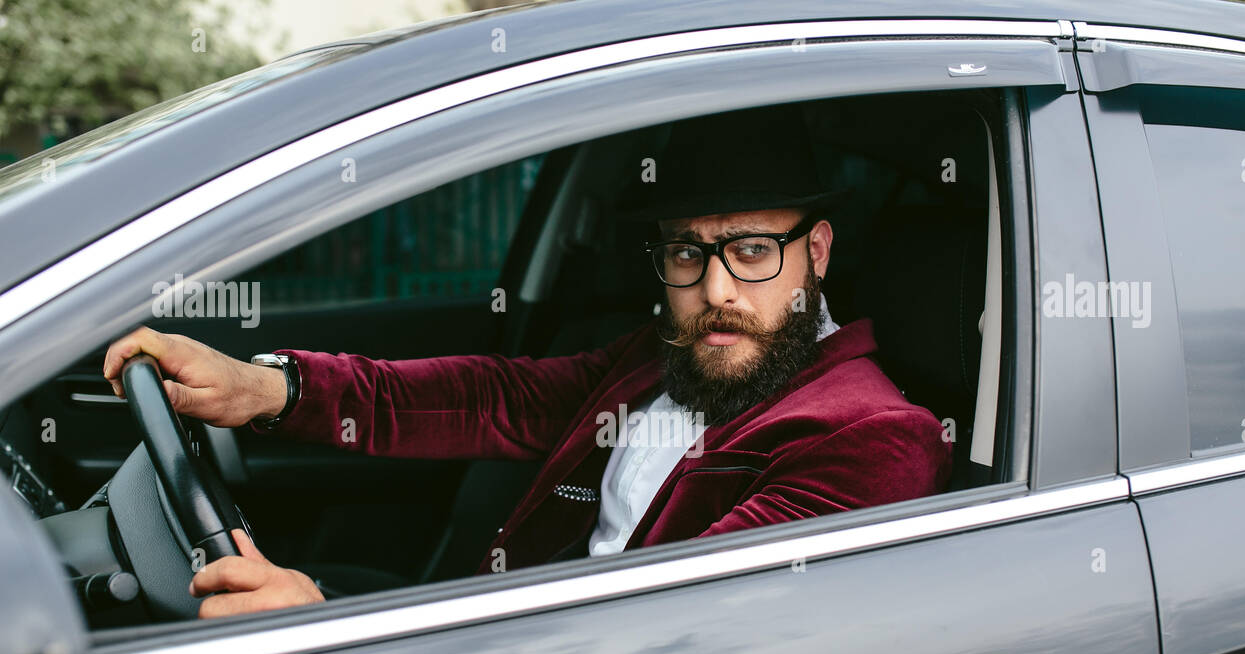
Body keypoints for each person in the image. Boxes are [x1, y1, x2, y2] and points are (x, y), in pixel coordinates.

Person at [102, 105, 952, 619]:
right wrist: (269, 386)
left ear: (821, 253)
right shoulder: (666, 356)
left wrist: (328, 638)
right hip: (517, 643)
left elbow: (671, 635)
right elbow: (489, 398)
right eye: (686, 254)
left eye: (755, 250)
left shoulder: (871, 438)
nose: (717, 288)